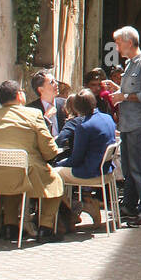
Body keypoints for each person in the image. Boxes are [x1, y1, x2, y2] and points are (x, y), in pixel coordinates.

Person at [0, 80, 65, 242]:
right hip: (28, 171)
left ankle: (10, 227)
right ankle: (46, 228)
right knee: (56, 182)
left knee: (12, 182)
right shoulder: (33, 114)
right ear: (18, 95)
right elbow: (50, 150)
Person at [109, 26, 141, 227]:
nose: (117, 47)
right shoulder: (130, 64)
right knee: (129, 168)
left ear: (129, 43)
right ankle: (130, 205)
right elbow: (131, 91)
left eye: (119, 43)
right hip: (128, 124)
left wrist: (124, 96)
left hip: (138, 123)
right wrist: (117, 90)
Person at [55, 89, 117, 229]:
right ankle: (77, 208)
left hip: (90, 172)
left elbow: (75, 159)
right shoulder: (107, 118)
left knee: (53, 175)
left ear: (76, 108)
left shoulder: (84, 126)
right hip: (106, 169)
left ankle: (75, 210)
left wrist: (59, 164)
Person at [26, 69, 66, 138]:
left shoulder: (65, 103)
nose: (56, 84)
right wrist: (46, 117)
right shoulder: (30, 109)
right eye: (52, 82)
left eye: (55, 81)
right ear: (41, 89)